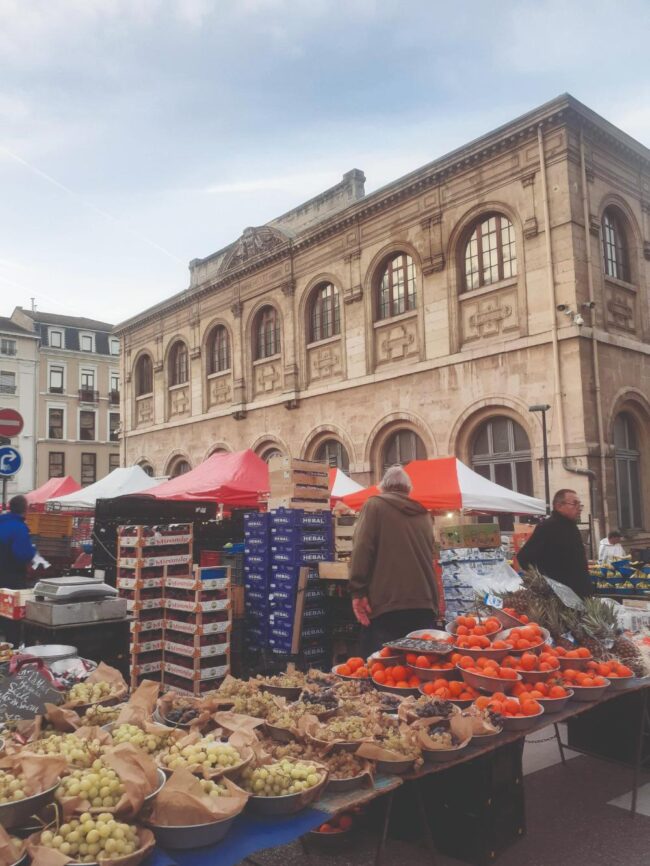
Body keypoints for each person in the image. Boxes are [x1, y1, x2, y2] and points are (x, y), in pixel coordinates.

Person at [349, 465, 438, 656]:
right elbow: (431, 556)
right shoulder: (424, 514)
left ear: (382, 487)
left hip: (387, 605)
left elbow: (362, 548)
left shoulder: (374, 505)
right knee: (417, 669)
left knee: (381, 670)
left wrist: (358, 591)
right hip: (424, 605)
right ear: (408, 490)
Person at [517, 488, 592, 598]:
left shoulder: (572, 527)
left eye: (580, 504)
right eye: (574, 503)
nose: (579, 508)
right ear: (559, 506)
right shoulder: (547, 527)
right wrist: (545, 583)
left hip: (579, 594)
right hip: (559, 597)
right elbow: (524, 557)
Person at [0, 494, 37, 589]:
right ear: (25, 509)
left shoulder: (2, 522)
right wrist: (33, 551)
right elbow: (23, 554)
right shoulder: (19, 527)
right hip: (11, 576)